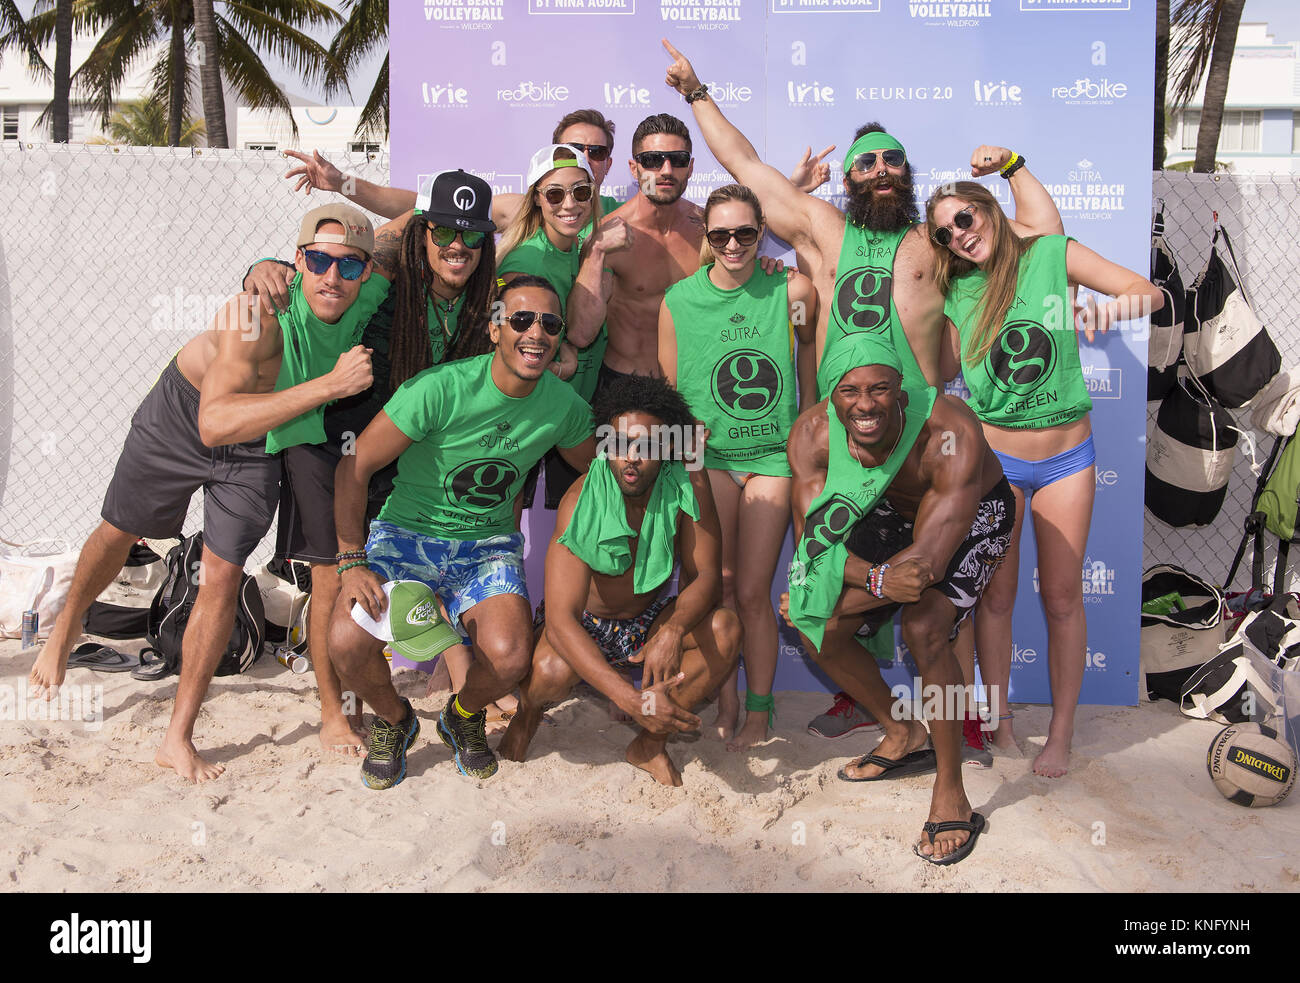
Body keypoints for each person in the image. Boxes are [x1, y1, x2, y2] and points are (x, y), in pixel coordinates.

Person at [658, 39, 1062, 741]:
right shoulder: (824, 232)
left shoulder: (938, 243)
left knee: (935, 595)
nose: (879, 170)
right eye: (866, 162)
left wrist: (1017, 169)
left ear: (907, 173)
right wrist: (697, 93)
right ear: (847, 178)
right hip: (841, 449)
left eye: (891, 160)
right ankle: (864, 700)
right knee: (838, 585)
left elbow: (1032, 238)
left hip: (920, 451)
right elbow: (745, 165)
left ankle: (955, 718)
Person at [29, 204, 386, 781]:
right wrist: (329, 385)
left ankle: (177, 737)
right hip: (188, 416)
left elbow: (407, 229)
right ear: (297, 262)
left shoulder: (367, 289)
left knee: (220, 576)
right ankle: (70, 622)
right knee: (121, 530)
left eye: (349, 266)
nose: (332, 276)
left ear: (367, 272)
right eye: (318, 259)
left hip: (256, 442)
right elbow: (214, 423)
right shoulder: (254, 314)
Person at [242, 170, 502, 750]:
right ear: (424, 233)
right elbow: (323, 264)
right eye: (443, 232)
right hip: (338, 441)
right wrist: (264, 265)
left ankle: (460, 680)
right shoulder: (387, 275)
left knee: (431, 568)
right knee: (333, 577)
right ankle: (336, 711)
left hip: (419, 453)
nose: (457, 247)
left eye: (473, 237)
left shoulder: (491, 303)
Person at [927, 181, 1164, 777]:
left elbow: (1149, 294)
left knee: (1062, 598)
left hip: (1066, 456)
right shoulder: (955, 289)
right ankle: (1001, 723)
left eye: (965, 217)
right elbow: (943, 366)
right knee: (996, 597)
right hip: (995, 463)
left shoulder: (1050, 255)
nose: (959, 233)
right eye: (944, 232)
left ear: (988, 209)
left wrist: (1110, 309)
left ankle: (1060, 734)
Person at [327, 275, 597, 789]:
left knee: (511, 656)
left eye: (549, 323)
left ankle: (463, 715)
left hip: (487, 546)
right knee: (345, 640)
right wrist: (349, 560)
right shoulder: (439, 388)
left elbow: (600, 469)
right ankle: (394, 720)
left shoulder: (562, 405)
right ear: (495, 328)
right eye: (520, 319)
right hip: (407, 536)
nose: (535, 332)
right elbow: (353, 467)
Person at [782, 333, 1014, 864]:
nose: (865, 404)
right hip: (885, 513)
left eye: (880, 389)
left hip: (973, 514)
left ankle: (951, 786)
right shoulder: (811, 437)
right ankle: (902, 730)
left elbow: (922, 570)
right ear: (830, 398)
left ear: (903, 392)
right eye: (849, 392)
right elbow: (815, 549)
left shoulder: (948, 431)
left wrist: (837, 594)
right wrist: (827, 598)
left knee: (925, 628)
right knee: (816, 627)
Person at [498, 375, 741, 785]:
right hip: (586, 624)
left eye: (645, 446)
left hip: (647, 623)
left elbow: (705, 580)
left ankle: (648, 745)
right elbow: (561, 620)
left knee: (726, 628)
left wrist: (674, 630)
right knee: (550, 676)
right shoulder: (579, 500)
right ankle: (527, 715)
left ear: (666, 448)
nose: (631, 457)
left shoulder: (684, 488)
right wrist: (631, 701)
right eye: (619, 444)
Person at [658, 184, 816, 748]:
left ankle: (759, 709)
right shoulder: (678, 300)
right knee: (714, 585)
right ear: (707, 236)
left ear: (762, 232)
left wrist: (810, 431)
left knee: (752, 592)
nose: (733, 244)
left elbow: (808, 360)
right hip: (712, 462)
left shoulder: (792, 288)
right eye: (720, 233)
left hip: (773, 458)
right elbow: (673, 393)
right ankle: (724, 695)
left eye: (745, 233)